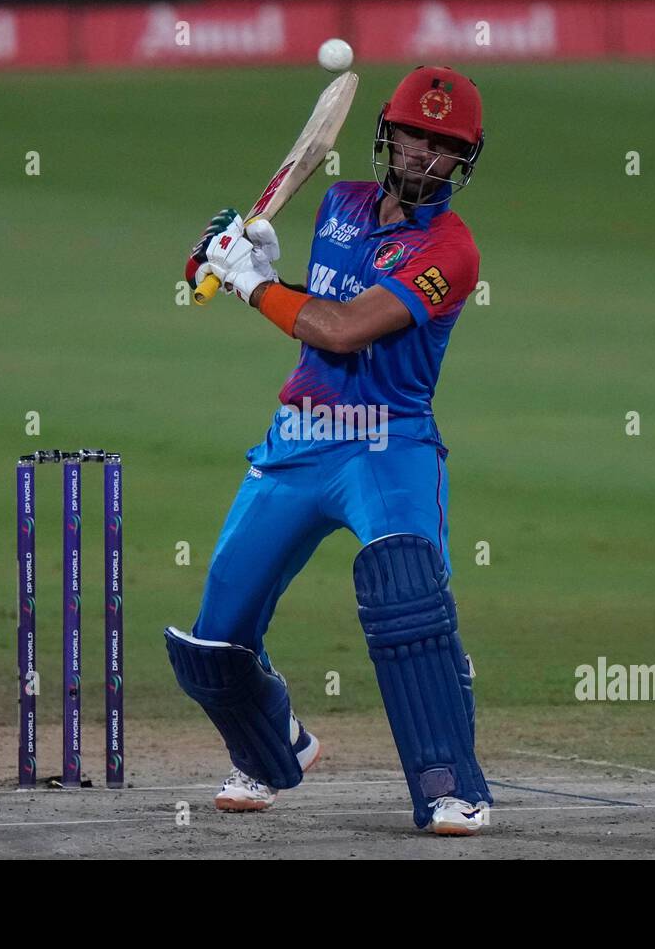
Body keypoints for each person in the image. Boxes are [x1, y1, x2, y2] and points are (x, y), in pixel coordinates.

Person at [168, 66, 492, 835]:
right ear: (389, 134)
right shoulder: (340, 202)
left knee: (409, 602)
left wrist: (251, 285)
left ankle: (454, 787)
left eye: (444, 146)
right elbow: (317, 305)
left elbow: (343, 329)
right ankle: (271, 746)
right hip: (302, 438)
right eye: (415, 135)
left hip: (389, 445)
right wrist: (252, 262)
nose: (423, 156)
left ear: (463, 160)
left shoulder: (451, 249)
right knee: (214, 641)